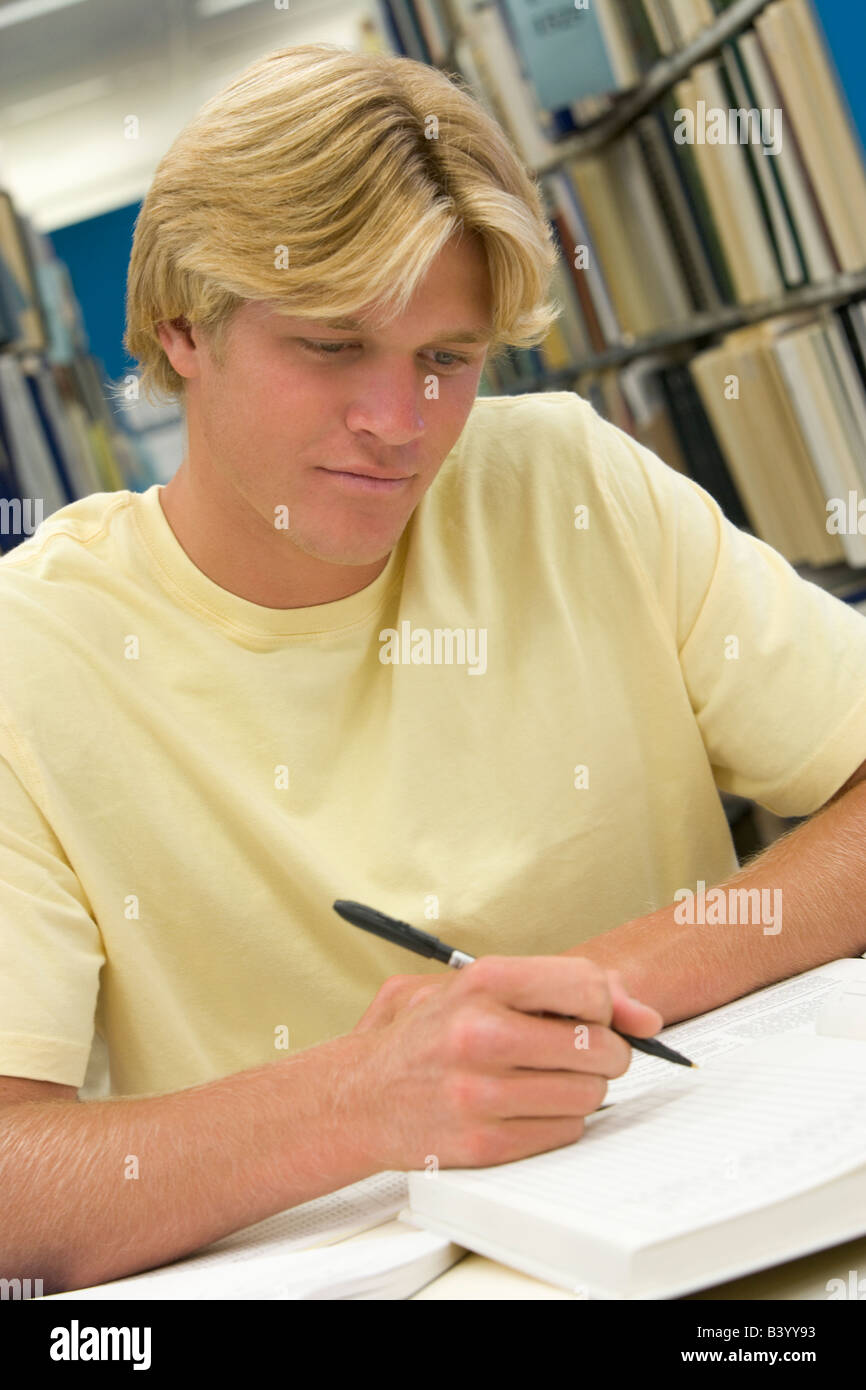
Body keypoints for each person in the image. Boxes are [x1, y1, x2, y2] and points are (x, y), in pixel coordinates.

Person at [2, 44, 866, 1296]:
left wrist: (604, 992)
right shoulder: (31, 659)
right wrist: (361, 1098)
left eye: (444, 359)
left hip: (716, 1235)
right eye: (333, 345)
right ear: (182, 329)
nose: (399, 425)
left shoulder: (570, 481)